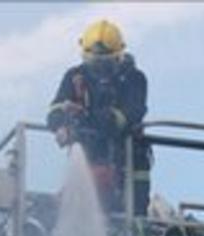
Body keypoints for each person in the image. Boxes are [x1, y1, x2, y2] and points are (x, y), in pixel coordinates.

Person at [46, 19, 150, 215]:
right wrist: (61, 124)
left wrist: (83, 117)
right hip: (88, 158)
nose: (99, 70)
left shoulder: (134, 79)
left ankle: (135, 232)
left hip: (128, 162)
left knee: (134, 217)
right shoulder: (75, 76)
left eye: (105, 64)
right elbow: (53, 113)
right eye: (94, 62)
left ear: (118, 57)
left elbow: (123, 118)